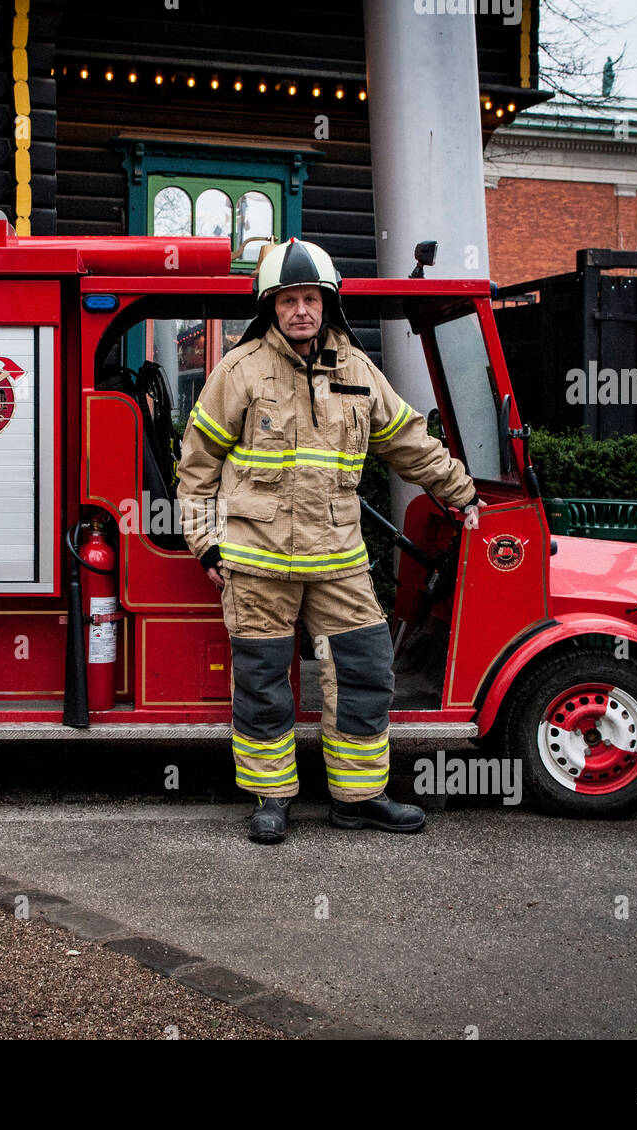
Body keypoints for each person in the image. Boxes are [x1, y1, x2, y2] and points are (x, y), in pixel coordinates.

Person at [176, 238, 484, 845]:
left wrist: (462, 493)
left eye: (311, 299)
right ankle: (272, 799)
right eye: (288, 300)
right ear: (271, 307)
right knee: (263, 682)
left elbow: (409, 442)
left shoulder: (358, 371)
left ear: (328, 303)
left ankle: (360, 797)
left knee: (366, 672)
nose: (301, 311)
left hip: (338, 559)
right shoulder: (239, 372)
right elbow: (197, 466)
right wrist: (207, 545)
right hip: (256, 562)